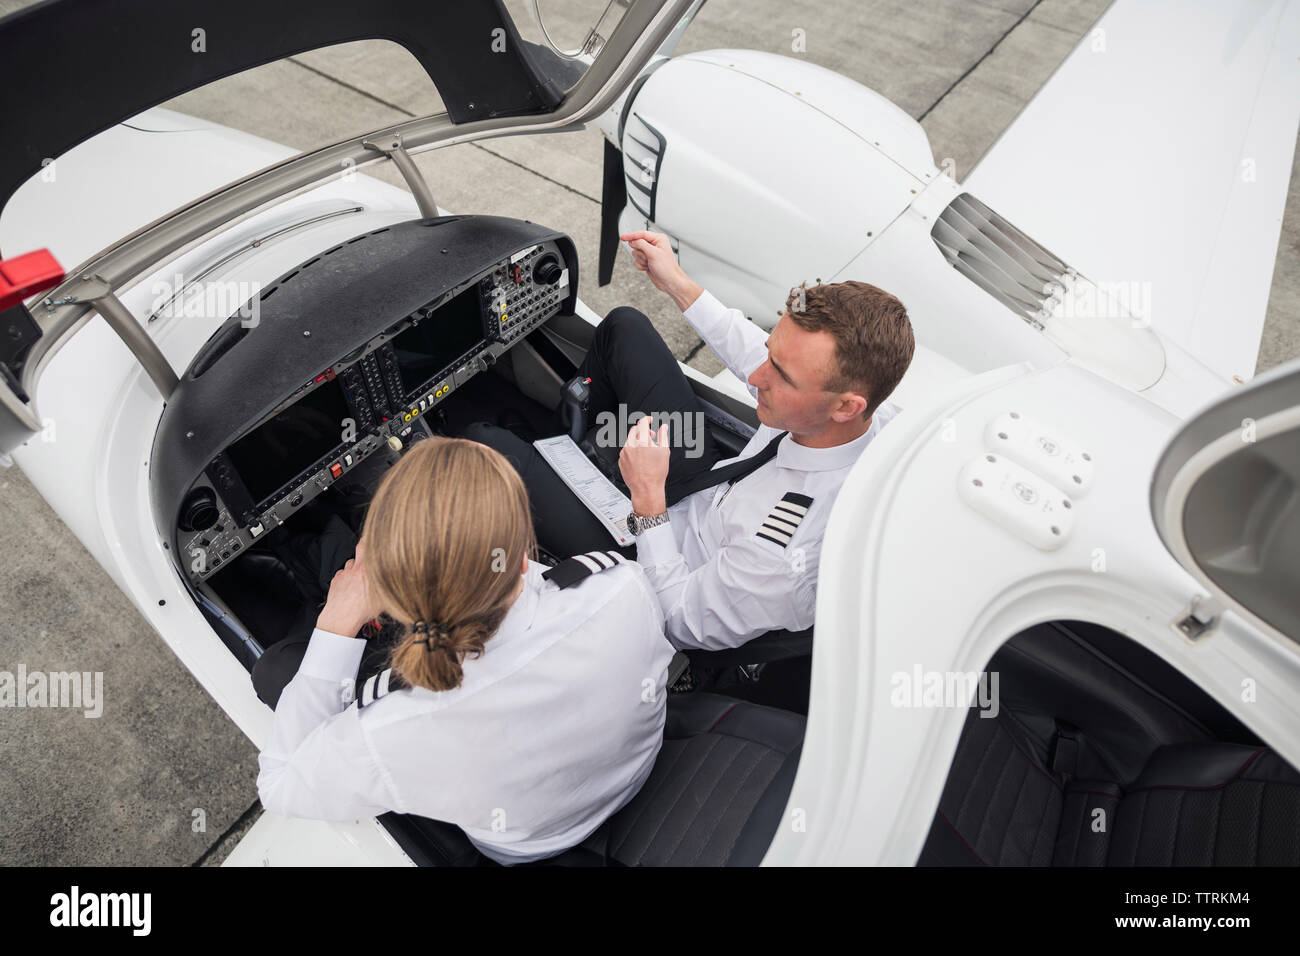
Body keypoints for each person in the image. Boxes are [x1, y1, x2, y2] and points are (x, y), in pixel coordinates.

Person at [468, 230, 915, 653]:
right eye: (772, 355)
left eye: (780, 375)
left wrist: (647, 500)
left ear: (846, 407)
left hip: (650, 561)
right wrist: (676, 282)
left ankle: (550, 468)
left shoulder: (781, 557)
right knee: (625, 327)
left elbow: (675, 621)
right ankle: (570, 445)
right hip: (705, 489)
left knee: (483, 448)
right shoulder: (864, 417)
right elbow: (753, 351)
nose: (758, 377)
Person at [255, 437, 675, 864]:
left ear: (393, 598)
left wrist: (336, 622)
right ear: (524, 542)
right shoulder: (620, 587)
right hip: (634, 773)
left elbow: (278, 783)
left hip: (534, 847)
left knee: (277, 667)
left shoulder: (394, 729)